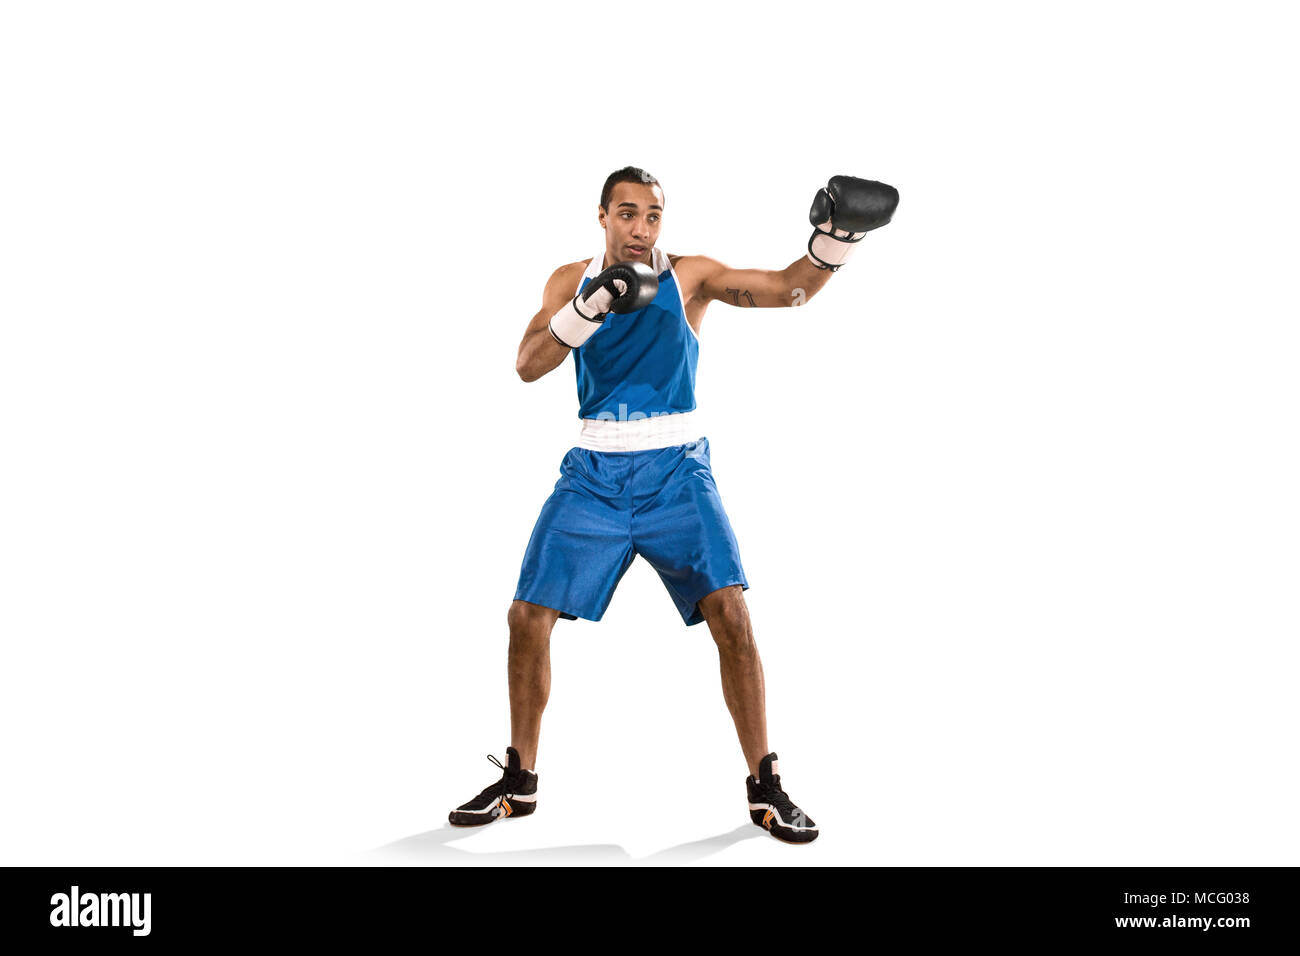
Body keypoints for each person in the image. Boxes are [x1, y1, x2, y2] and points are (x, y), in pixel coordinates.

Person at [448, 167, 898, 844]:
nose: (641, 228)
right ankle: (520, 779)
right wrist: (588, 307)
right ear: (601, 216)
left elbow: (787, 291)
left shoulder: (689, 276)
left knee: (732, 613)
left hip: (678, 472)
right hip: (594, 474)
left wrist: (837, 242)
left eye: (653, 216)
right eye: (627, 214)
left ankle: (765, 786)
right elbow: (527, 365)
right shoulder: (566, 281)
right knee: (525, 615)